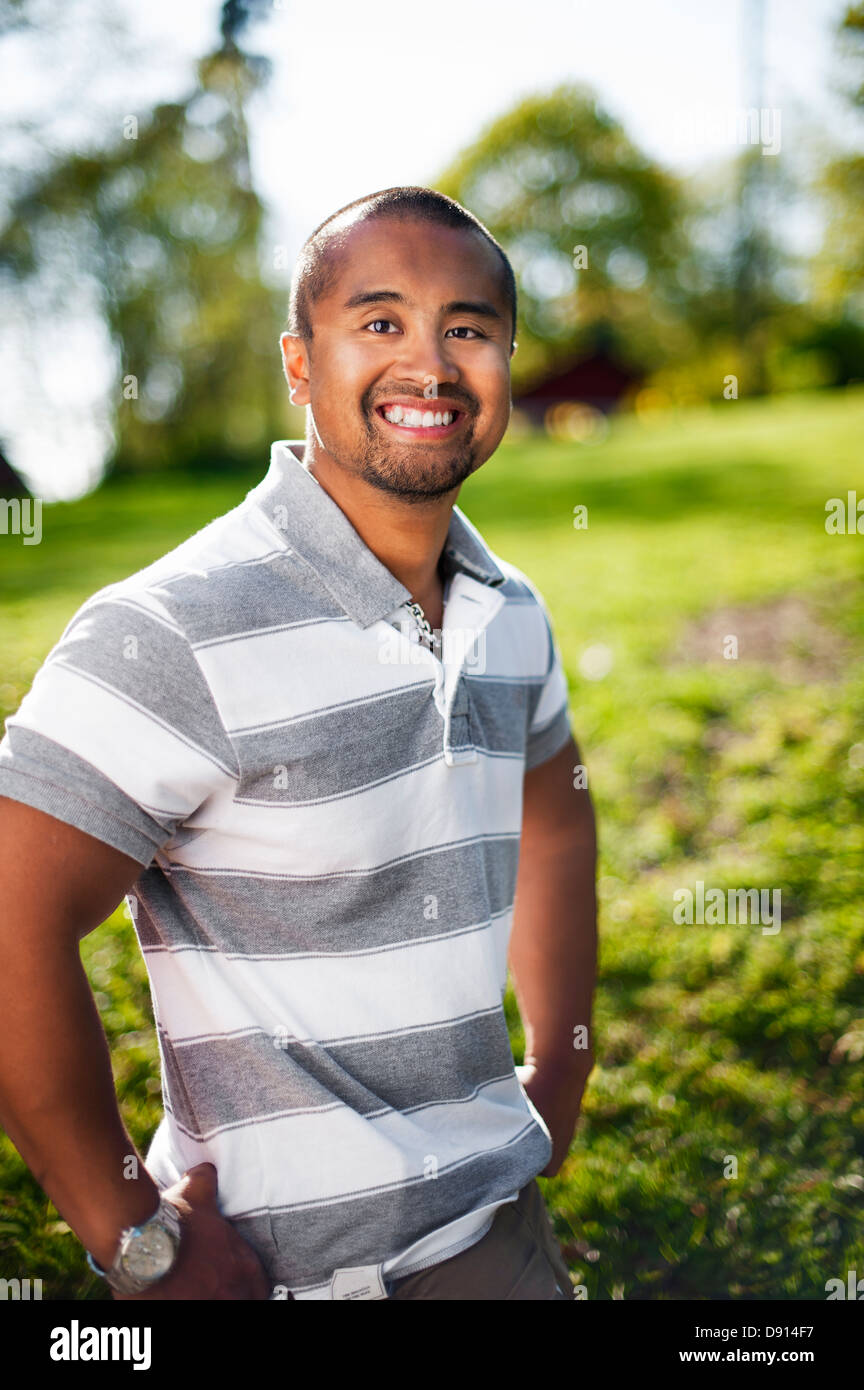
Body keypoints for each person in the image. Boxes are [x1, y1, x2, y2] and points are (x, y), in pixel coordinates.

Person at [0, 186, 597, 1300]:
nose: (429, 363)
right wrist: (128, 1229)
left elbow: (555, 816)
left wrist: (564, 1054)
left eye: (467, 328)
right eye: (380, 322)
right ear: (298, 362)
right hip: (269, 1276)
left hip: (495, 1239)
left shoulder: (511, 611)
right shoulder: (171, 626)